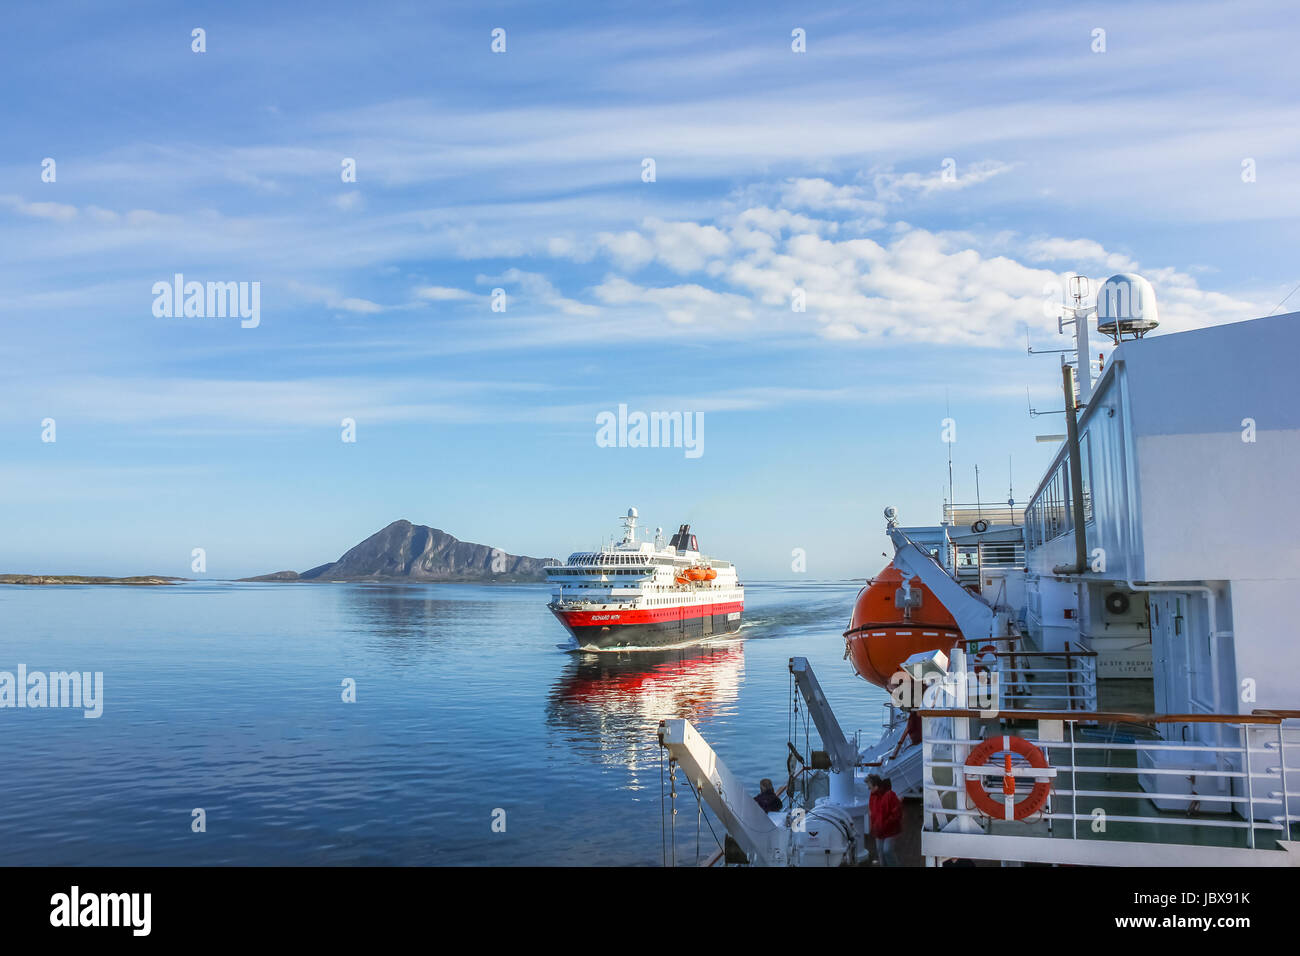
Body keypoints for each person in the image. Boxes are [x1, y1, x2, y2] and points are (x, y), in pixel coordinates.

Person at [868, 775, 903, 865]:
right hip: (879, 830)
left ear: (876, 786)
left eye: (870, 787)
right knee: (880, 852)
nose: (868, 788)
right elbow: (872, 811)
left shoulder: (890, 795)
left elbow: (897, 813)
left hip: (890, 830)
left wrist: (885, 823)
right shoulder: (873, 796)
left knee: (887, 851)